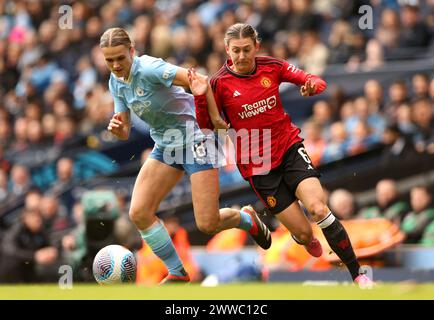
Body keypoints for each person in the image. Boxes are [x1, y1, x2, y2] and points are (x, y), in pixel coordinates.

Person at [189, 23, 372, 286]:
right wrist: (198, 97)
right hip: (258, 166)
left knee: (318, 207)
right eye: (236, 51)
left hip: (288, 148)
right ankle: (305, 239)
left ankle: (358, 276)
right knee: (304, 233)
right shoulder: (218, 84)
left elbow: (312, 79)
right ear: (227, 50)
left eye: (247, 50)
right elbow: (206, 128)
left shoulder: (271, 66)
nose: (241, 57)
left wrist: (312, 84)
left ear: (257, 47)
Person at [100, 27, 271, 284]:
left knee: (208, 224)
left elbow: (200, 80)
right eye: (109, 60)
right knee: (139, 212)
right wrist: (118, 129)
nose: (115, 65)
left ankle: (247, 219)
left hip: (197, 140)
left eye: (120, 58)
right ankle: (178, 273)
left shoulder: (150, 69)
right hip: (167, 146)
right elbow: (124, 130)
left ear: (132, 52)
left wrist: (214, 118)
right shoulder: (115, 82)